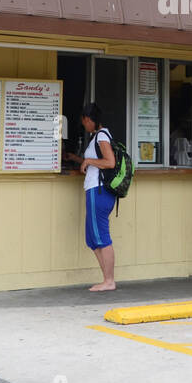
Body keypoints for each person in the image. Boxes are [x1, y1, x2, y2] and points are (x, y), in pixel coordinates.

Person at [63, 103, 117, 292]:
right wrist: (76, 159)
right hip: (96, 191)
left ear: (88, 119)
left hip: (99, 191)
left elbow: (110, 162)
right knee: (92, 239)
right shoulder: (97, 137)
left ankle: (109, 281)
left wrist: (89, 161)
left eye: (84, 122)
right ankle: (106, 279)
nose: (84, 126)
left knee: (102, 237)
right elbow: (94, 162)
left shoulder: (101, 136)